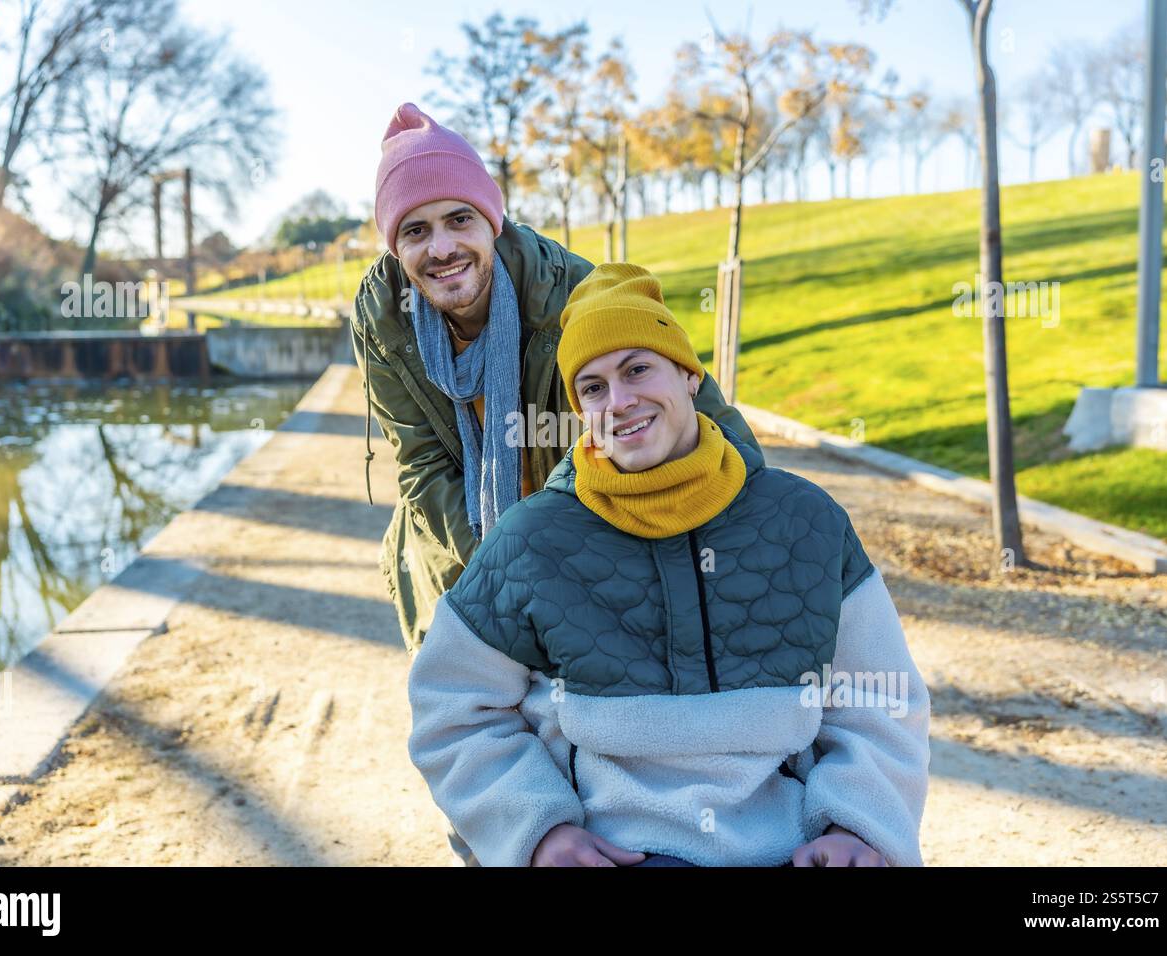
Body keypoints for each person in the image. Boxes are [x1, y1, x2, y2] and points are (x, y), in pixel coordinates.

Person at [406, 262, 931, 867]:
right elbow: (453, 709)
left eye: (637, 369)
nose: (621, 400)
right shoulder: (531, 540)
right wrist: (540, 831)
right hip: (615, 849)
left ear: (688, 375)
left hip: (791, 847)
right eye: (594, 387)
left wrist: (856, 827)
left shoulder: (804, 521)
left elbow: (878, 698)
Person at [351, 103, 760, 866]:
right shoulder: (384, 317)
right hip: (458, 551)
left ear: (493, 222)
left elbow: (698, 413)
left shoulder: (571, 292)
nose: (442, 248)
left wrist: (772, 518)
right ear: (394, 245)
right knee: (478, 754)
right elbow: (422, 464)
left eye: (459, 220)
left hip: (585, 534)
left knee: (591, 754)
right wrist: (501, 571)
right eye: (415, 230)